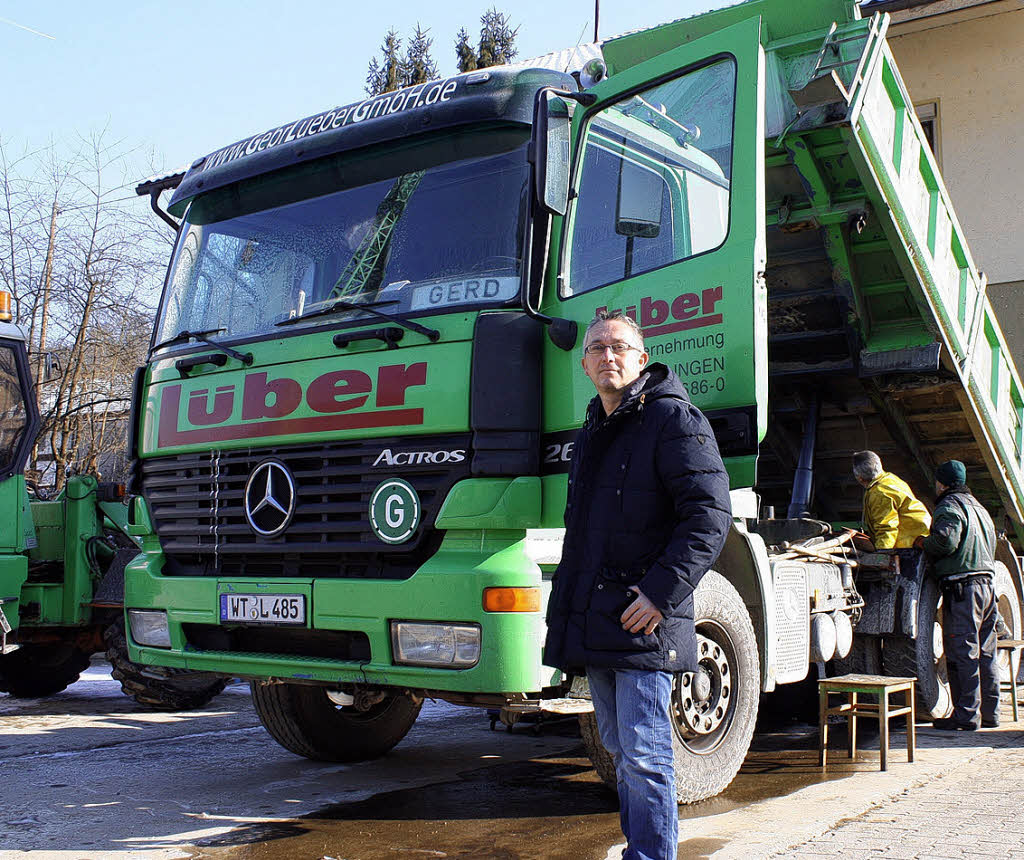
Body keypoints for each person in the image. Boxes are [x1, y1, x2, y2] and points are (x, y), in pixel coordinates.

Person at [544, 310, 732, 860]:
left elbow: (709, 515)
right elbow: (584, 536)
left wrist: (658, 594)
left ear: (641, 359)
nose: (608, 355)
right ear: (584, 364)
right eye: (597, 347)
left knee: (647, 756)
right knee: (619, 750)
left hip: (641, 618)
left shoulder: (674, 420)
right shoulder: (592, 431)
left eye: (620, 347)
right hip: (600, 620)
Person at [913, 459, 1000, 730]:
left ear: (942, 483)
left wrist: (923, 542)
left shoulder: (949, 506)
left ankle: (966, 716)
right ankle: (991, 714)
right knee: (986, 653)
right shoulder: (980, 509)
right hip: (986, 587)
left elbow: (945, 542)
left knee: (964, 653)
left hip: (963, 591)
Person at [852, 450, 931, 549]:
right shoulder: (890, 478)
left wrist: (881, 556)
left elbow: (886, 528)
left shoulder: (879, 493)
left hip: (911, 543)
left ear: (859, 478)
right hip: (920, 534)